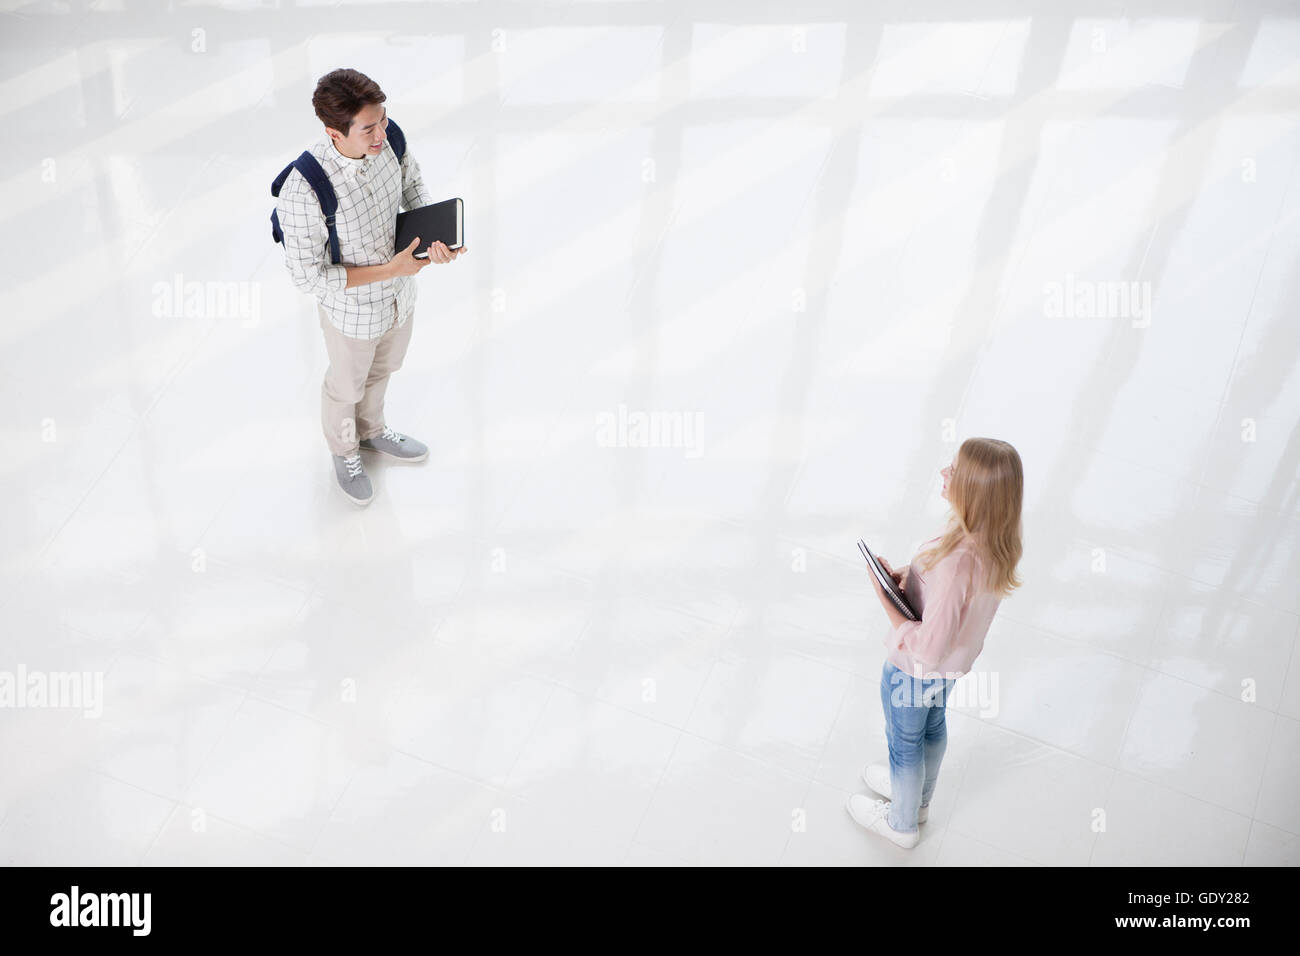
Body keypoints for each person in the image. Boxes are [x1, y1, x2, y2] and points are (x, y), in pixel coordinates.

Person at [275, 68, 468, 505]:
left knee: (385, 370)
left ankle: (372, 431)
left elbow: (411, 183)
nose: (382, 132)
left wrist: (435, 240)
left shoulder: (389, 137)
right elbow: (308, 277)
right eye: (368, 128)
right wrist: (393, 269)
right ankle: (345, 452)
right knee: (345, 387)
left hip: (400, 297)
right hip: (351, 312)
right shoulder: (303, 189)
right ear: (334, 132)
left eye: (382, 119)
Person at [848, 437, 1024, 849]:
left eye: (955, 471)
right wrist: (911, 575)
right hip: (947, 673)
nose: (944, 473)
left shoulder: (955, 561)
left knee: (903, 741)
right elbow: (955, 601)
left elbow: (926, 648)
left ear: (976, 493)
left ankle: (901, 822)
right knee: (931, 727)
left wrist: (883, 594)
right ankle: (919, 801)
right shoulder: (991, 542)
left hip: (913, 672)